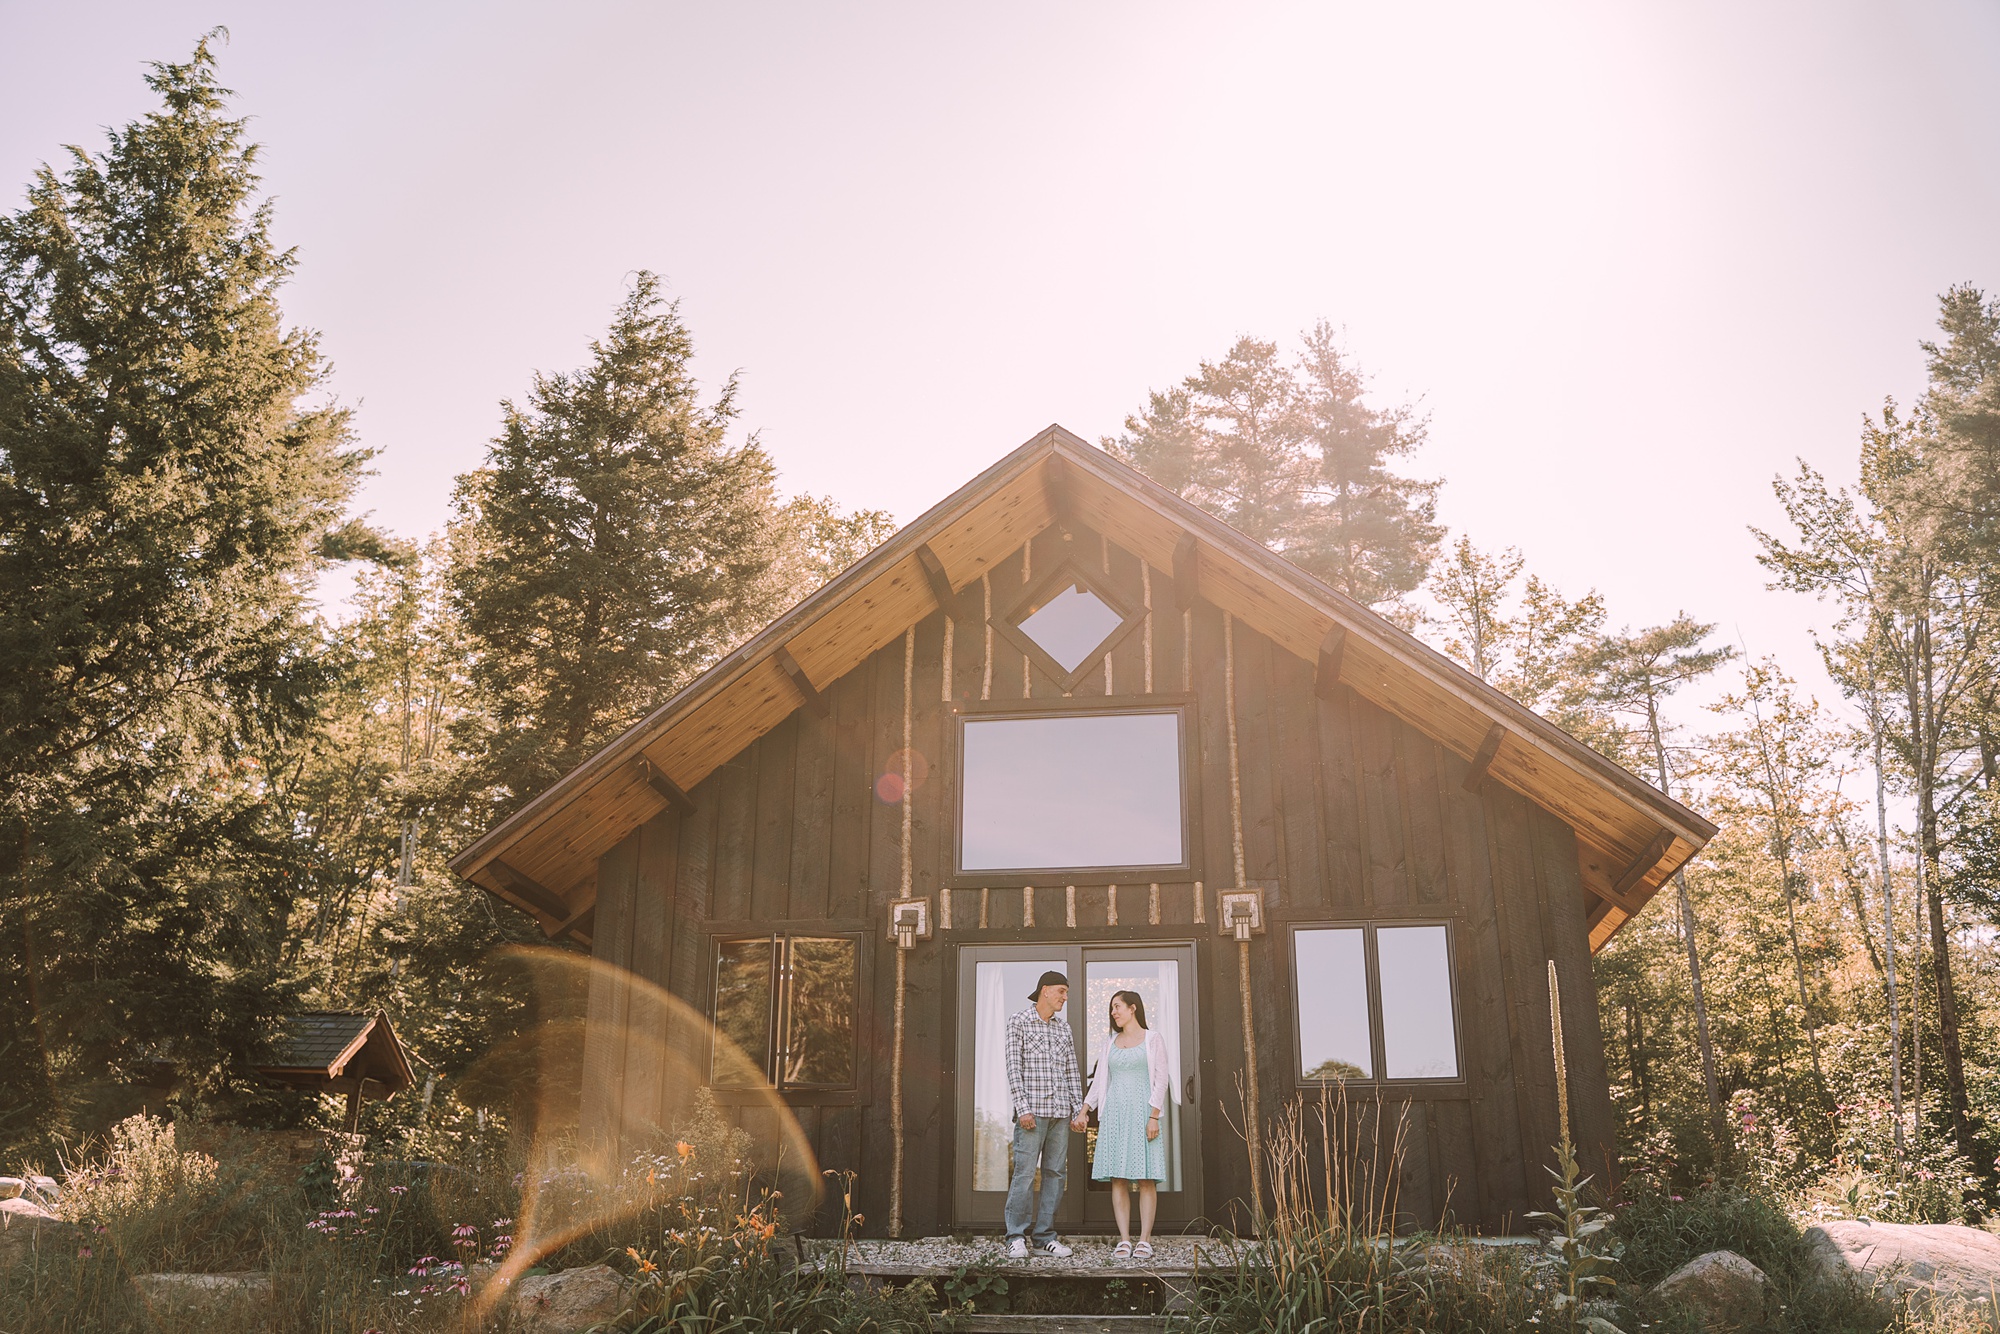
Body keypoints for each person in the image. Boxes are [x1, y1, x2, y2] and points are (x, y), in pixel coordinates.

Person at [1073, 989, 1169, 1261]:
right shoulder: (1109, 1043)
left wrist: (1154, 1116)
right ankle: (1125, 1240)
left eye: (1118, 1006)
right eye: (1112, 1008)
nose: (1114, 1012)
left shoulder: (1153, 1039)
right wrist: (1084, 1111)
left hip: (1142, 1113)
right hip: (1114, 1114)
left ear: (1133, 1008)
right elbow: (1100, 1082)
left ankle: (1144, 1241)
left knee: (1146, 1177)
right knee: (1118, 1177)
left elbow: (1161, 1079)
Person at [1004, 970, 1082, 1259]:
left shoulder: (1064, 1029)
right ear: (1045, 990)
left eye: (1066, 992)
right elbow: (1014, 1068)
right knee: (1024, 1175)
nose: (1065, 997)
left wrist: (1078, 1110)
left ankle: (1044, 1237)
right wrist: (1023, 1108)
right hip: (1032, 1115)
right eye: (1061, 991)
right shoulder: (1019, 1022)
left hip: (1061, 1114)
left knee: (1055, 1174)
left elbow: (1072, 1072)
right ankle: (1015, 1236)